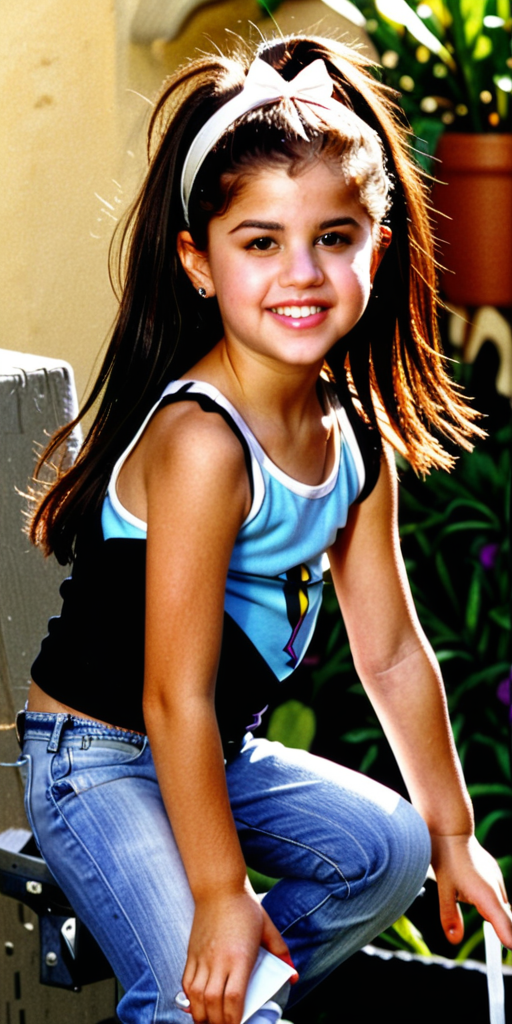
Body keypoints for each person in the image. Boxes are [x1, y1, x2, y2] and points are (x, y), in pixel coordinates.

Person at [20, 34, 511, 1024]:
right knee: (216, 996)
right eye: (260, 241)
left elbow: (391, 653)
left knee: (387, 850)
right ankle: (203, 991)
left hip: (216, 750)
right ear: (199, 264)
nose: (303, 272)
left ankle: (218, 990)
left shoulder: (350, 437)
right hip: (99, 753)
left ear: (375, 245)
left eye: (332, 236)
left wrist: (453, 831)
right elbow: (169, 696)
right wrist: (215, 896)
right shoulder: (203, 442)